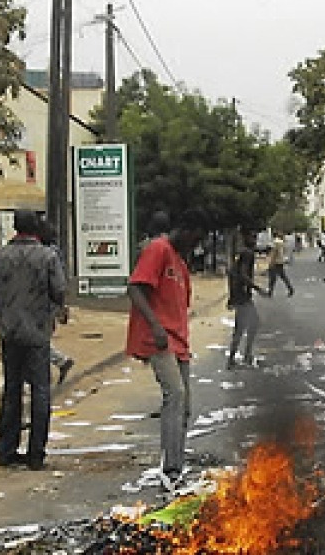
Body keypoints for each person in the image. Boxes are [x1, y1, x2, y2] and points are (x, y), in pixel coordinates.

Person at [0, 210, 66, 471]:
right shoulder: (47, 257)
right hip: (38, 331)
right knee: (40, 391)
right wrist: (57, 308)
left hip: (9, 332)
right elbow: (59, 291)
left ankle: (7, 449)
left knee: (12, 390)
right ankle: (36, 453)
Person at [125, 210, 205, 491]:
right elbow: (135, 288)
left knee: (185, 406)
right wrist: (156, 327)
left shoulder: (179, 262)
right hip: (158, 340)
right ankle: (171, 469)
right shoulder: (158, 249)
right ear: (183, 229)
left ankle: (177, 465)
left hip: (178, 342)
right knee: (176, 395)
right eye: (194, 239)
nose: (195, 246)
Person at [34, 219, 75, 386]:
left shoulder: (45, 254)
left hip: (42, 303)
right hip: (49, 303)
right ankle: (60, 362)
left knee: (37, 341)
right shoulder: (55, 252)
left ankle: (58, 364)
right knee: (39, 340)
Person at [226, 228, 268, 369]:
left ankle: (241, 356)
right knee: (250, 324)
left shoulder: (242, 253)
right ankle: (242, 356)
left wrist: (232, 296)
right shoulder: (248, 254)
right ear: (246, 238)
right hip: (243, 295)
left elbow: (232, 274)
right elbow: (243, 275)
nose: (255, 240)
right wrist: (258, 288)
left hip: (239, 294)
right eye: (253, 237)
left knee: (245, 325)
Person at [266, 232, 294, 298]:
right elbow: (283, 252)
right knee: (283, 276)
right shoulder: (282, 243)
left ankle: (270, 291)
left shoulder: (275, 243)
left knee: (272, 277)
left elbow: (274, 253)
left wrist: (271, 262)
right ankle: (290, 289)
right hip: (280, 261)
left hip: (275, 262)